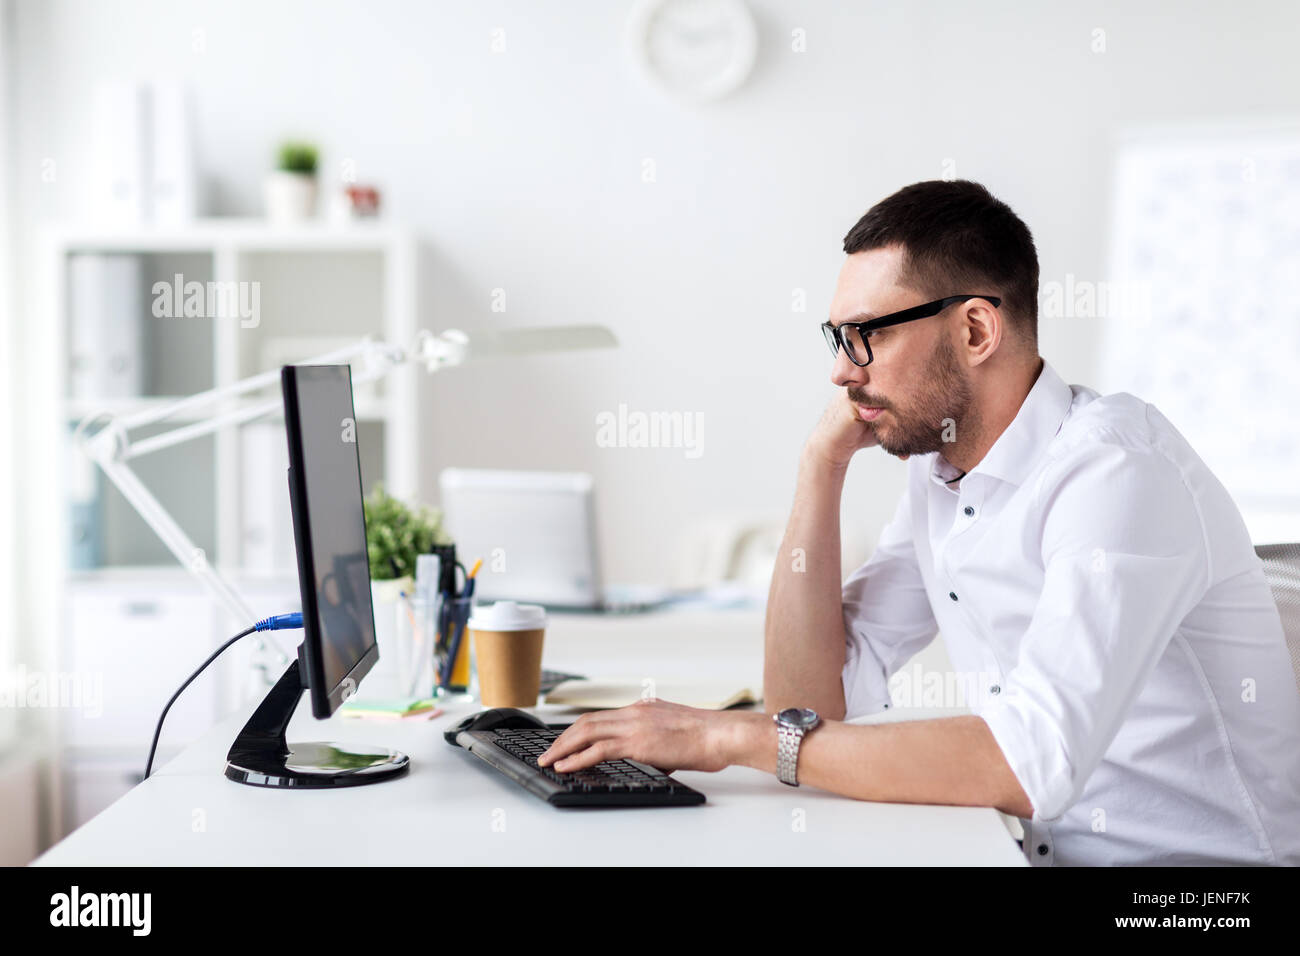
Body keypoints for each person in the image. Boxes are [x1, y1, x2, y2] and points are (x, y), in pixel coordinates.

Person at [539, 179, 1300, 866]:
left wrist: (723, 736)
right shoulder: (942, 475)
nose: (843, 370)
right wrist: (820, 466)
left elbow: (1029, 761)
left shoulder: (1117, 473)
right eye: (838, 339)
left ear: (975, 331)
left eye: (867, 334)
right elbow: (810, 702)